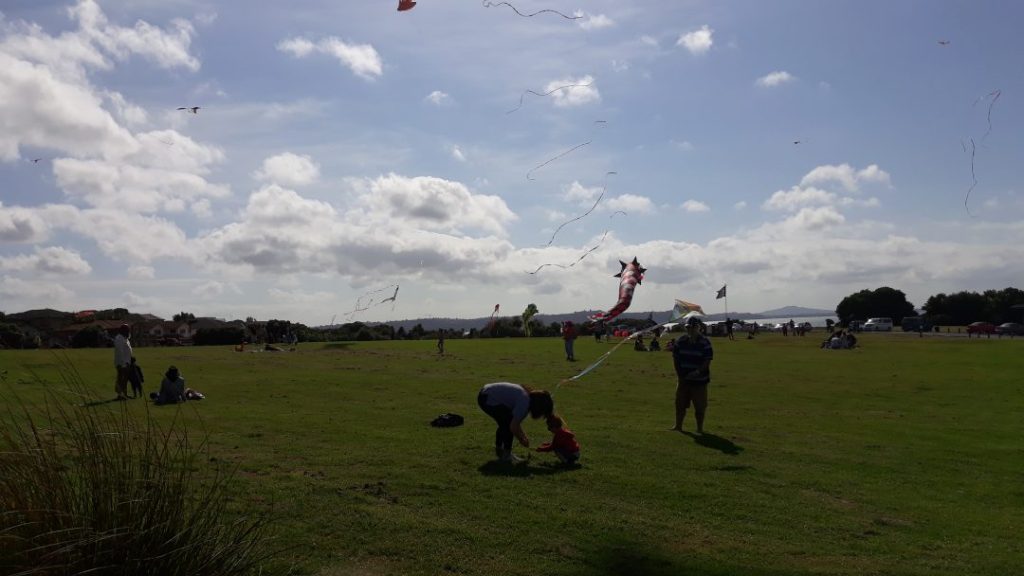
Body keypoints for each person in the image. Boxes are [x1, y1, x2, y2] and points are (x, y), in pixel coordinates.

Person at [477, 382, 554, 463]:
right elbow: (513, 427)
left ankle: (499, 449)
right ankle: (506, 455)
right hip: (487, 398)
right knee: (507, 423)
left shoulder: (526, 397)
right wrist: (521, 440)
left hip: (486, 392)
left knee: (505, 422)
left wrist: (524, 436)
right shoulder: (524, 403)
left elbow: (515, 424)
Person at [670, 316, 714, 434]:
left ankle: (699, 428)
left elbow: (707, 361)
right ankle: (678, 426)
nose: (691, 330)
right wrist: (680, 375)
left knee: (700, 407)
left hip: (699, 381)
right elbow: (676, 358)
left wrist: (698, 372)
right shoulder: (680, 341)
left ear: (698, 328)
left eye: (693, 327)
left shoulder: (705, 343)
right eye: (688, 327)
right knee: (680, 404)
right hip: (683, 380)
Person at [112, 324, 133, 400]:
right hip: (122, 363)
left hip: (127, 362)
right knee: (121, 379)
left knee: (125, 379)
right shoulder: (119, 339)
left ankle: (124, 394)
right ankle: (120, 395)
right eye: (127, 330)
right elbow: (119, 352)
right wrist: (123, 363)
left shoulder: (125, 338)